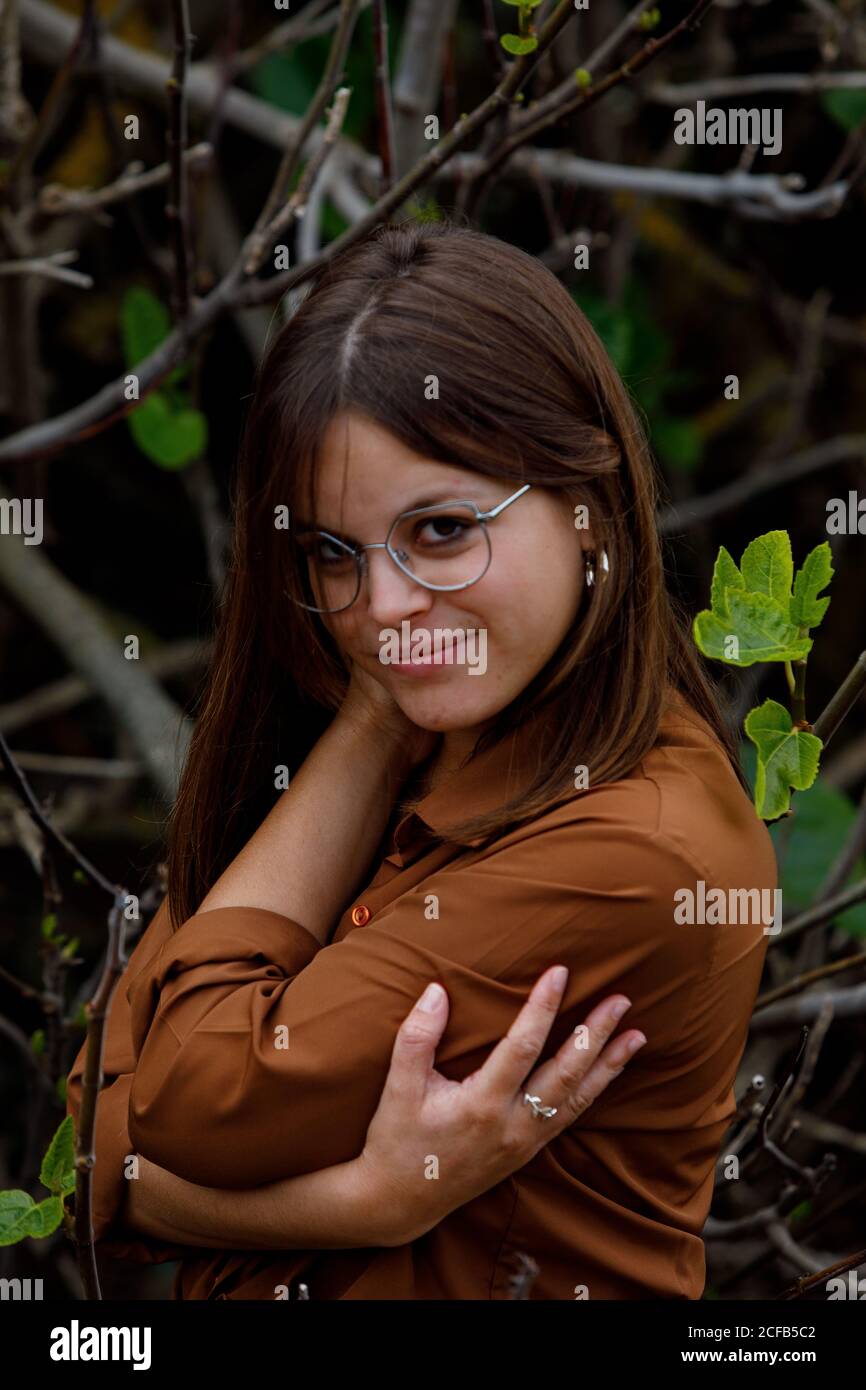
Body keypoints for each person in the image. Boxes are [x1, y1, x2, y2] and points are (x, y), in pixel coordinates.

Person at [67, 218, 776, 1300]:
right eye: (333, 552)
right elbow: (86, 1129)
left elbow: (179, 1092)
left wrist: (187, 1185)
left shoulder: (634, 851)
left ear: (586, 508)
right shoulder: (412, 730)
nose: (384, 605)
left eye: (442, 530)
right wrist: (359, 1204)